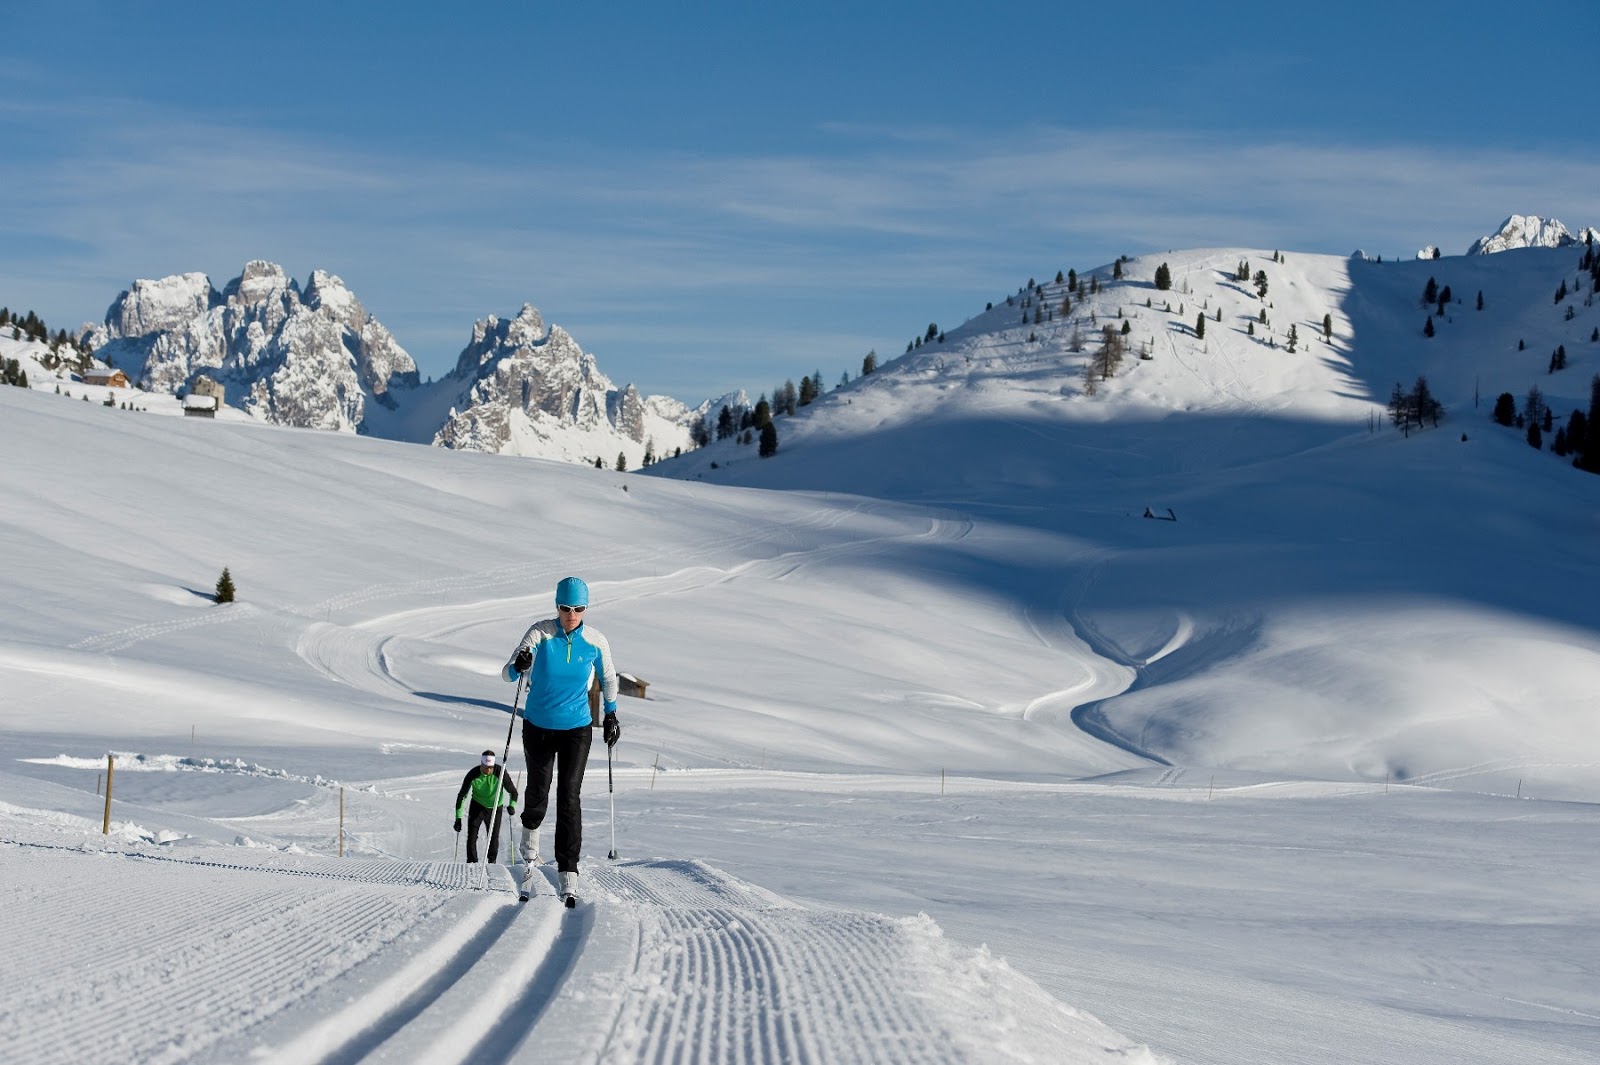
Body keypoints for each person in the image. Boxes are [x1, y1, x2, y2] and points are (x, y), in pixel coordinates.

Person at [504, 575, 621, 905]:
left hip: (577, 728)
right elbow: (507, 673)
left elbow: (609, 677)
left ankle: (568, 867)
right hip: (538, 725)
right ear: (557, 606)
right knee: (538, 790)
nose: (572, 614)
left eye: (579, 608)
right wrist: (519, 664)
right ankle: (529, 857)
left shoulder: (596, 640)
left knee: (569, 794)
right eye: (566, 607)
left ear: (586, 608)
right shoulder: (541, 632)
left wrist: (610, 713)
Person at [454, 749, 518, 863]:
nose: (488, 770)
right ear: (481, 765)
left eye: (490, 768)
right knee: (472, 836)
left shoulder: (500, 772)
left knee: (493, 838)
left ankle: (492, 862)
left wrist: (512, 806)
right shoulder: (473, 774)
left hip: (495, 808)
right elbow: (462, 796)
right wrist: (458, 818)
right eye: (485, 767)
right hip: (477, 806)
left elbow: (513, 792)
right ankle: (472, 862)